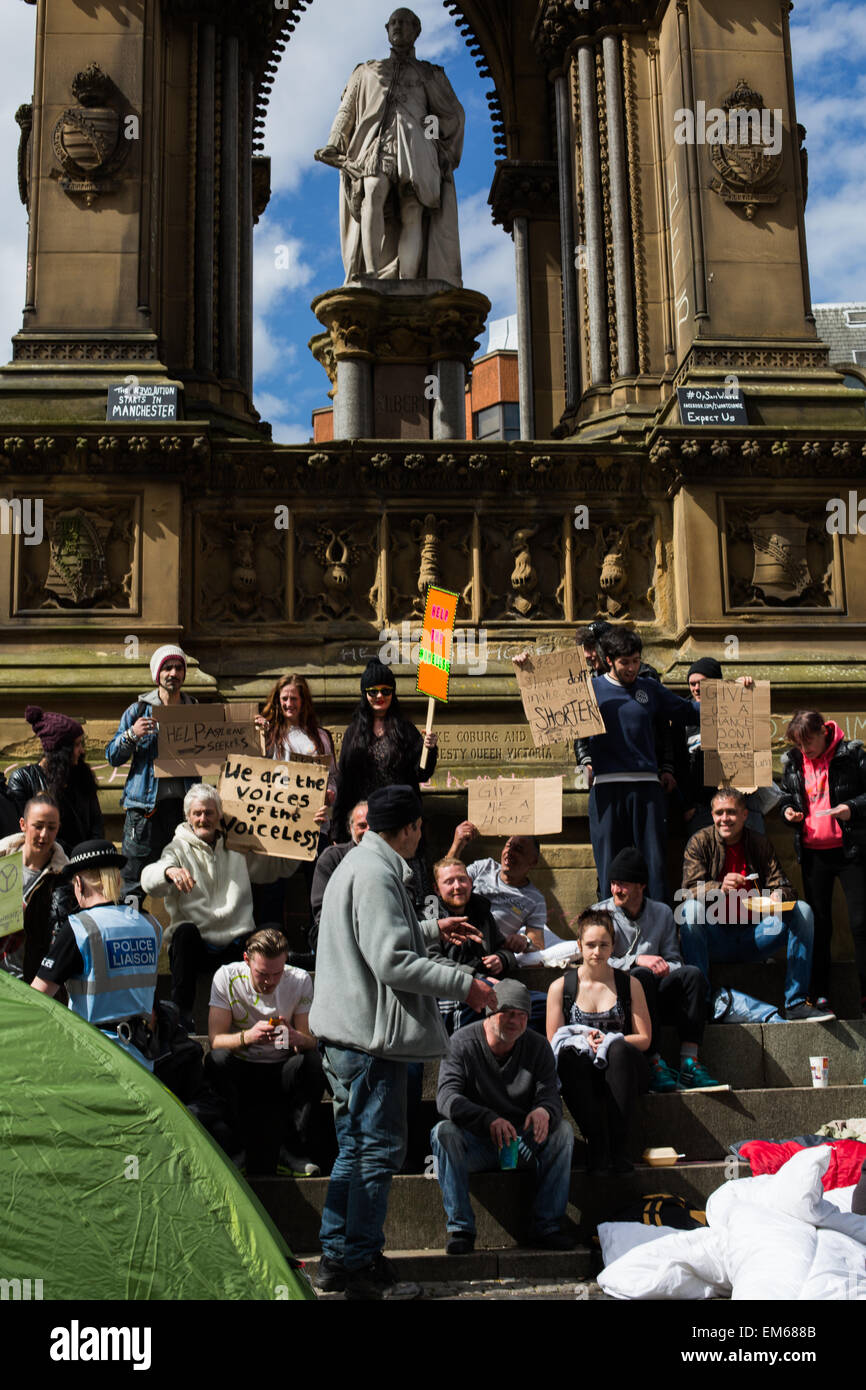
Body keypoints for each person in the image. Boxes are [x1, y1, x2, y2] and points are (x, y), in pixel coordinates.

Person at [309, 783, 496, 1300]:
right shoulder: (375, 873)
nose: (422, 837)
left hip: (353, 1036)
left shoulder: (361, 864)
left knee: (354, 1150)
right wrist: (467, 985)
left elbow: (376, 938)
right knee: (375, 1152)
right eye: (419, 828)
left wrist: (432, 931)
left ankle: (338, 1259)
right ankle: (360, 1267)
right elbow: (390, 961)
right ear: (410, 828)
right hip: (369, 1040)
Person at [314, 8, 464, 285]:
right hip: (376, 145)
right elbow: (347, 111)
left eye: (405, 23)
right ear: (387, 29)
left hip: (416, 147)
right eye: (394, 22)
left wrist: (432, 139)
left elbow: (449, 114)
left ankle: (408, 280)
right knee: (372, 191)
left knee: (412, 207)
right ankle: (371, 273)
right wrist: (334, 142)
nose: (398, 27)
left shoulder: (429, 74)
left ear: (416, 30)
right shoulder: (366, 71)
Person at [430, 979, 575, 1254]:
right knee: (442, 1132)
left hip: (522, 1142)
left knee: (564, 1132)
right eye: (507, 1013)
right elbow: (447, 1097)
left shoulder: (538, 1047)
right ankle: (460, 1228)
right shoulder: (461, 1043)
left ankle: (547, 1226)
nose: (515, 1021)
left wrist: (544, 1110)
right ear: (490, 1012)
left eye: (522, 1015)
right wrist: (486, 1119)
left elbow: (550, 1095)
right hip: (477, 1142)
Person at [678, 788, 835, 1023]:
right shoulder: (699, 842)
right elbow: (687, 891)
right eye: (719, 813)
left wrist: (778, 896)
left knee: (802, 910)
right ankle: (702, 1001)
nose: (724, 819)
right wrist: (719, 887)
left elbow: (784, 886)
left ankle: (796, 1002)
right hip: (715, 939)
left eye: (731, 812)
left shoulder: (759, 843)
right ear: (711, 815)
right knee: (690, 911)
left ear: (744, 815)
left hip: (754, 936)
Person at [140, 784, 284, 1031]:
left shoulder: (237, 844)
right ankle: (182, 1017)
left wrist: (292, 842)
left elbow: (271, 870)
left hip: (237, 943)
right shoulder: (177, 848)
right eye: (197, 813)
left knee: (273, 933)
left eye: (208, 812)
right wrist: (169, 871)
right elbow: (148, 880)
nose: (202, 818)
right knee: (184, 935)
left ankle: (271, 1015)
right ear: (188, 817)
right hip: (198, 946)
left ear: (219, 815)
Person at [573, 626, 697, 903]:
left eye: (636, 660)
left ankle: (659, 934)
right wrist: (525, 665)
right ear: (609, 661)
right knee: (609, 866)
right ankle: (610, 934)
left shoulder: (649, 688)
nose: (631, 668)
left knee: (653, 865)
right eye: (624, 662)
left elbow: (687, 710)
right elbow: (550, 710)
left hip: (647, 789)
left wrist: (735, 692)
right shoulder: (589, 690)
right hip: (607, 789)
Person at [593, 847, 727, 1094]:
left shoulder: (662, 913)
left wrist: (664, 968)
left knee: (692, 975)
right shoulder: (600, 914)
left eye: (622, 884)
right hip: (620, 995)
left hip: (656, 990)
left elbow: (674, 959)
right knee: (641, 975)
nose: (615, 890)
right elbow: (596, 960)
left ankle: (690, 1062)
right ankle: (653, 1061)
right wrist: (635, 961)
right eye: (613, 884)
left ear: (641, 886)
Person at [31, 839, 161, 1069]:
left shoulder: (80, 928)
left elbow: (36, 998)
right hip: (142, 1058)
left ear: (79, 884)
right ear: (118, 880)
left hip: (94, 1056)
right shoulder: (150, 924)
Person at [206, 928, 324, 1177]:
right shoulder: (226, 977)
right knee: (216, 1061)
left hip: (281, 1066)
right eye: (262, 974)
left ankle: (293, 1151)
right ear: (247, 960)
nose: (270, 981)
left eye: (277, 973)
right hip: (242, 1064)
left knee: (312, 1062)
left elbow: (311, 1042)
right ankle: (234, 1150)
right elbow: (215, 1040)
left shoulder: (299, 980)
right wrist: (248, 1036)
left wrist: (295, 1036)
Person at [547, 909, 652, 1175]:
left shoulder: (630, 984)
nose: (597, 952)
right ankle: (597, 1143)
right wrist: (584, 1040)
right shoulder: (561, 987)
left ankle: (617, 1148)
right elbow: (554, 1042)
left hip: (623, 1068)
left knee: (617, 1050)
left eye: (604, 945)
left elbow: (644, 1039)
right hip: (581, 1070)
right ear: (579, 945)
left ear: (613, 946)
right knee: (569, 1058)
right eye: (591, 945)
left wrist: (608, 1040)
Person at [778, 709, 866, 1011]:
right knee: (819, 924)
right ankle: (818, 994)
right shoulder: (793, 761)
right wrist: (788, 812)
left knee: (860, 922)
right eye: (800, 745)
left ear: (824, 732)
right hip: (814, 852)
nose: (806, 750)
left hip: (850, 849)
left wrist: (851, 808)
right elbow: (787, 797)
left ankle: (865, 992)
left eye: (809, 742)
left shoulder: (851, 753)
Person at [332, 658, 437, 907]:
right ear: (364, 694)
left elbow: (421, 774)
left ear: (393, 692)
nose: (379, 696)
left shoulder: (405, 729)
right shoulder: (354, 732)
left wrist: (429, 750)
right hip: (369, 822)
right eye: (373, 691)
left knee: (410, 885)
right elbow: (344, 780)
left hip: (401, 819)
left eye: (386, 691)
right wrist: (337, 827)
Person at [105, 644, 197, 904]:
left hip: (183, 813)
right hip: (144, 812)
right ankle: (129, 933)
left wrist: (255, 728)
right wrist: (132, 735)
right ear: (157, 674)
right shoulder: (138, 711)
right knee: (133, 882)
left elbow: (226, 744)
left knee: (186, 880)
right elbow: (112, 756)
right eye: (167, 667)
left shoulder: (196, 710)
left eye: (179, 668)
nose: (173, 673)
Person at [253, 673, 337, 935]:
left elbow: (332, 777)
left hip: (313, 824)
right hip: (276, 823)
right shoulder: (266, 735)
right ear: (277, 701)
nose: (289, 703)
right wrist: (253, 732)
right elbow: (251, 770)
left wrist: (331, 795)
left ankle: (320, 939)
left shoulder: (319, 737)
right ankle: (271, 940)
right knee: (272, 886)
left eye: (294, 698)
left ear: (304, 702)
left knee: (318, 884)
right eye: (285, 698)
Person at [678, 659, 768, 835]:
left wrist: (742, 690)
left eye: (702, 683)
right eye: (692, 684)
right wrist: (686, 805)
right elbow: (678, 763)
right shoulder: (683, 716)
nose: (696, 688)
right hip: (702, 806)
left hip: (741, 801)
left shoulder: (735, 704)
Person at [428, 856, 518, 1031]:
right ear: (437, 889)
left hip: (491, 989)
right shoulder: (430, 916)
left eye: (462, 879)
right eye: (449, 882)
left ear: (470, 882)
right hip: (450, 994)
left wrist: (501, 959)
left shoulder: (482, 911)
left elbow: (504, 949)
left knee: (539, 1005)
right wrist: (476, 978)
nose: (457, 886)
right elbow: (431, 960)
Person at [0, 793, 74, 982]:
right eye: (38, 826)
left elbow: (60, 938)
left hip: (30, 982)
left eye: (51, 828)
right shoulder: (3, 861)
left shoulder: (63, 878)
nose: (44, 835)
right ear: (23, 824)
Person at [8, 705, 103, 852]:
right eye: (77, 745)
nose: (81, 751)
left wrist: (90, 856)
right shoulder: (23, 779)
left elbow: (96, 823)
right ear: (61, 750)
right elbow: (24, 832)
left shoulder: (82, 776)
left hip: (84, 863)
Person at [310, 800, 368, 951]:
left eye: (373, 825)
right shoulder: (332, 858)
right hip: (339, 936)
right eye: (362, 826)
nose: (368, 831)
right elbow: (321, 910)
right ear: (351, 828)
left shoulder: (394, 859)